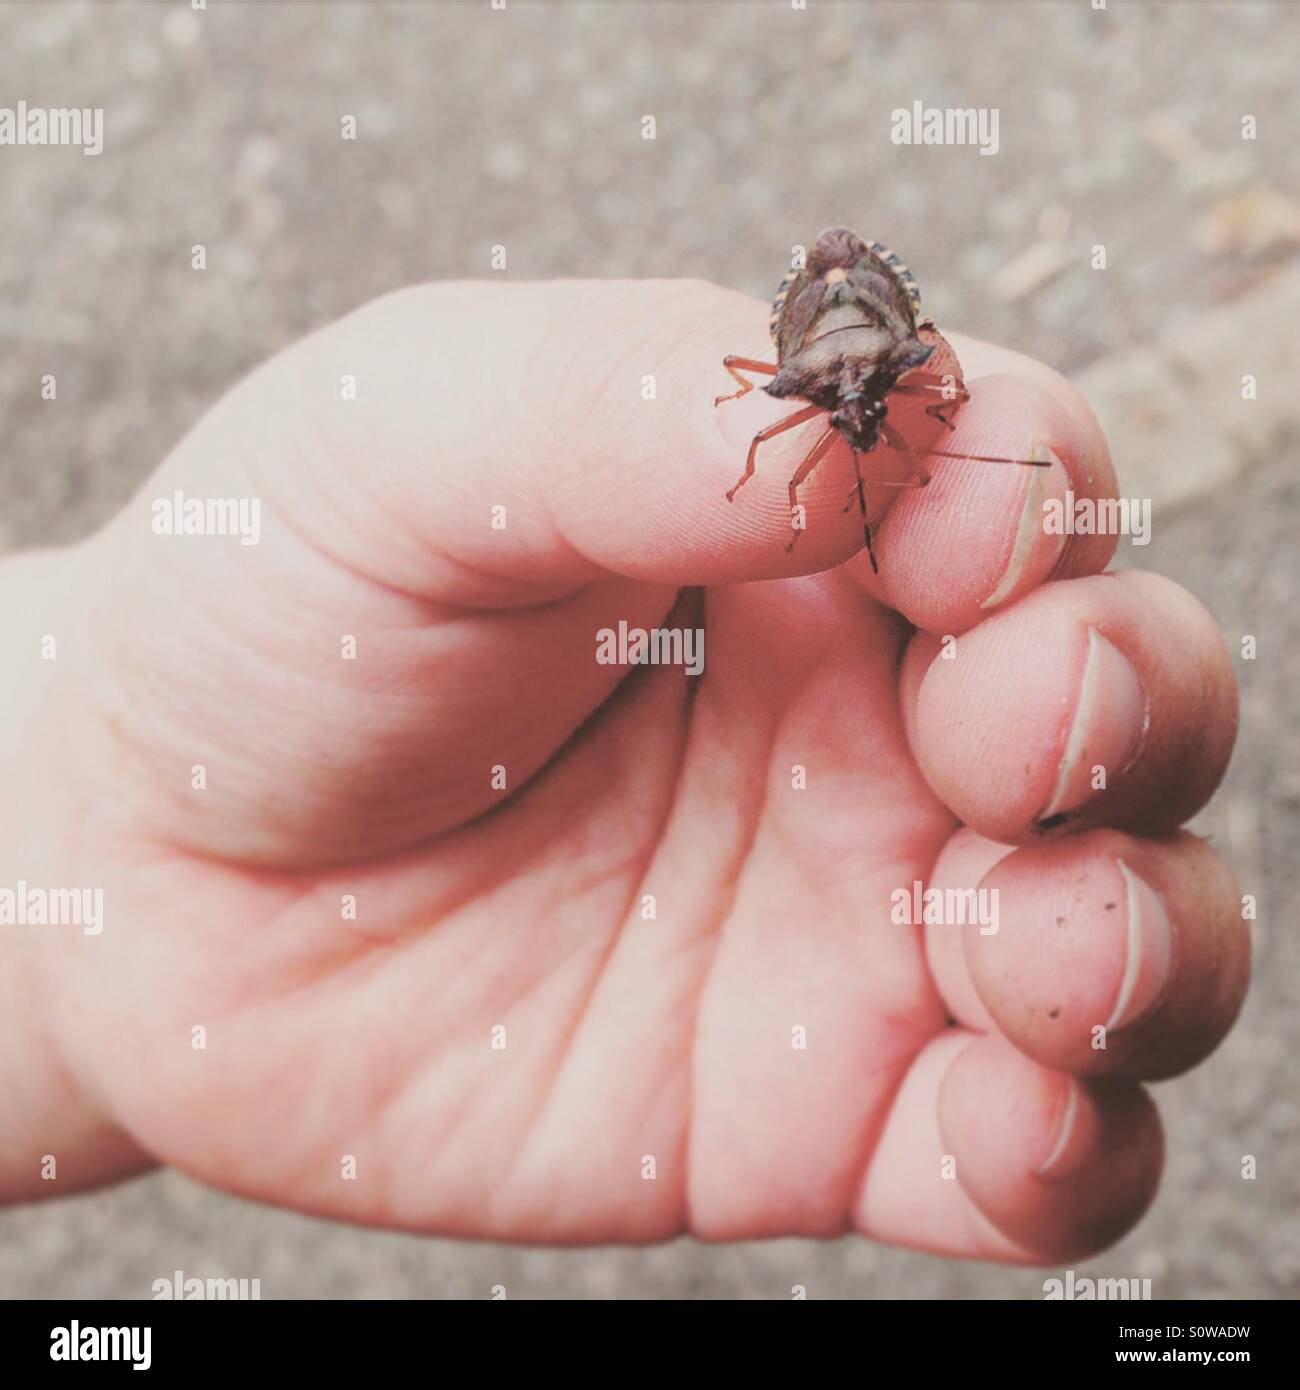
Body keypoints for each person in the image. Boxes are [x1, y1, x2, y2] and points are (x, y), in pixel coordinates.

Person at [0, 277, 1246, 1263]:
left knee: (1044, 752)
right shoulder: (805, 419)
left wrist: (85, 845)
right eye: (843, 408)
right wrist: (91, 807)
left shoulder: (880, 393)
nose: (856, 423)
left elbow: (903, 388)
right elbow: (759, 448)